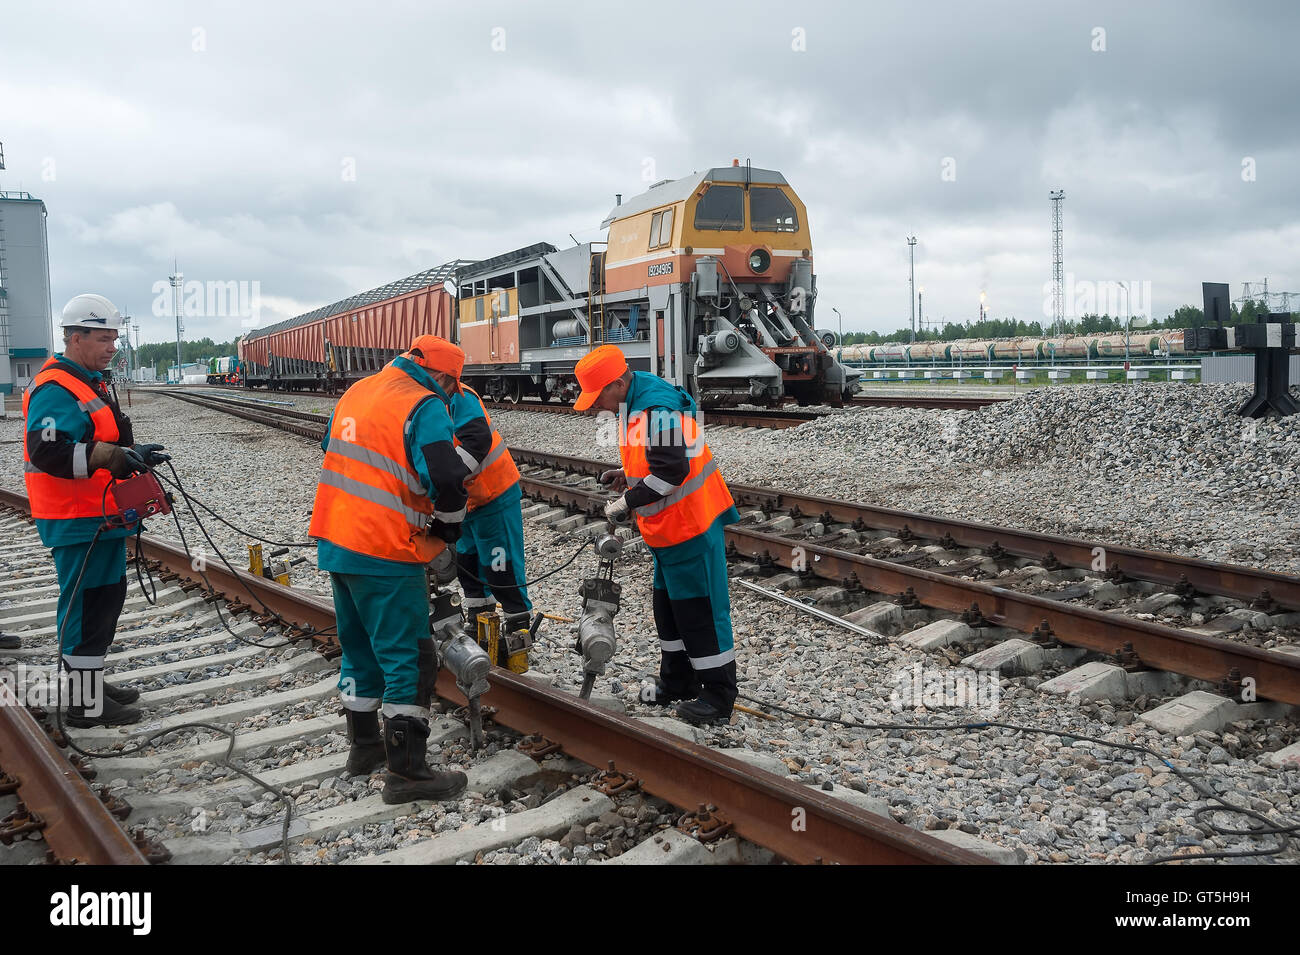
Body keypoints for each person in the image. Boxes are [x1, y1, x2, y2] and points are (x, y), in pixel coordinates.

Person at [308, 336, 470, 804]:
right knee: (410, 659)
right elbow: (447, 476)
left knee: (359, 651)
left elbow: (332, 449)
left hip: (338, 541)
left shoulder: (358, 391)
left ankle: (363, 748)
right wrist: (448, 528)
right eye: (452, 389)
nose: (450, 398)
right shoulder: (425, 404)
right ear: (443, 377)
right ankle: (408, 773)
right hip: (385, 549)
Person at [572, 346, 741, 725]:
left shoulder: (654, 408)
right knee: (669, 609)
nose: (596, 405)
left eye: (598, 396)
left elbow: (670, 472)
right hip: (670, 530)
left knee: (700, 611)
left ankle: (717, 697)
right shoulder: (640, 397)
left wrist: (626, 501)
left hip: (689, 525)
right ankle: (677, 682)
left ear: (617, 383)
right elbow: (661, 457)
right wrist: (627, 474)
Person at [21, 294, 169, 726]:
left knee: (105, 598)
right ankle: (84, 704)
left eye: (114, 339)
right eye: (103, 339)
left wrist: (131, 452)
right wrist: (112, 457)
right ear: (74, 337)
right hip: (74, 517)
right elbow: (49, 453)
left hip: (98, 515)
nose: (112, 347)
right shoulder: (55, 387)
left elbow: (98, 437)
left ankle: (91, 683)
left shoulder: (88, 380)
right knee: (87, 603)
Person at [440, 347, 532, 639]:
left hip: (493, 495)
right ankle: (481, 625)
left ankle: (518, 632)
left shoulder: (460, 397)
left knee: (501, 567)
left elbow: (476, 441)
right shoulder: (428, 400)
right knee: (468, 565)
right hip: (466, 502)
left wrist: (446, 484)